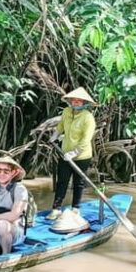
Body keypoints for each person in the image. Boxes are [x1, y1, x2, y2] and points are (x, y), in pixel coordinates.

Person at [47, 87, 96, 220]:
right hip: (65, 152)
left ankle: (76, 208)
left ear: (84, 103)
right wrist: (55, 135)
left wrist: (74, 153)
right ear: (70, 101)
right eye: (74, 100)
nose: (76, 102)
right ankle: (56, 209)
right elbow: (61, 126)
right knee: (62, 181)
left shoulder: (88, 118)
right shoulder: (66, 111)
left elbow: (86, 139)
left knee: (78, 182)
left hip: (82, 155)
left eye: (79, 101)